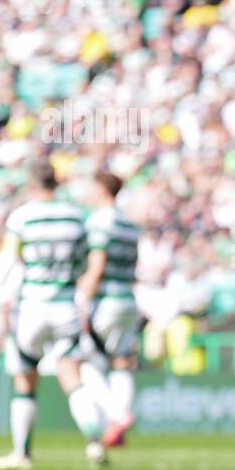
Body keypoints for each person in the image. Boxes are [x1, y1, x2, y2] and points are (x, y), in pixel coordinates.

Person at [0, 161, 111, 469]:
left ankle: (21, 453)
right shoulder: (77, 216)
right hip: (66, 306)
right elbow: (84, 263)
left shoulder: (22, 216)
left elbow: (7, 260)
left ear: (32, 184)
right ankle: (94, 439)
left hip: (32, 308)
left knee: (25, 380)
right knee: (72, 378)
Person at [77, 171, 143, 449]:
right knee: (121, 361)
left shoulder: (100, 221)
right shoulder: (128, 223)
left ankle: (117, 416)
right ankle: (118, 427)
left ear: (102, 190)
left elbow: (97, 266)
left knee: (84, 364)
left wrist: (82, 300)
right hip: (128, 298)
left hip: (105, 300)